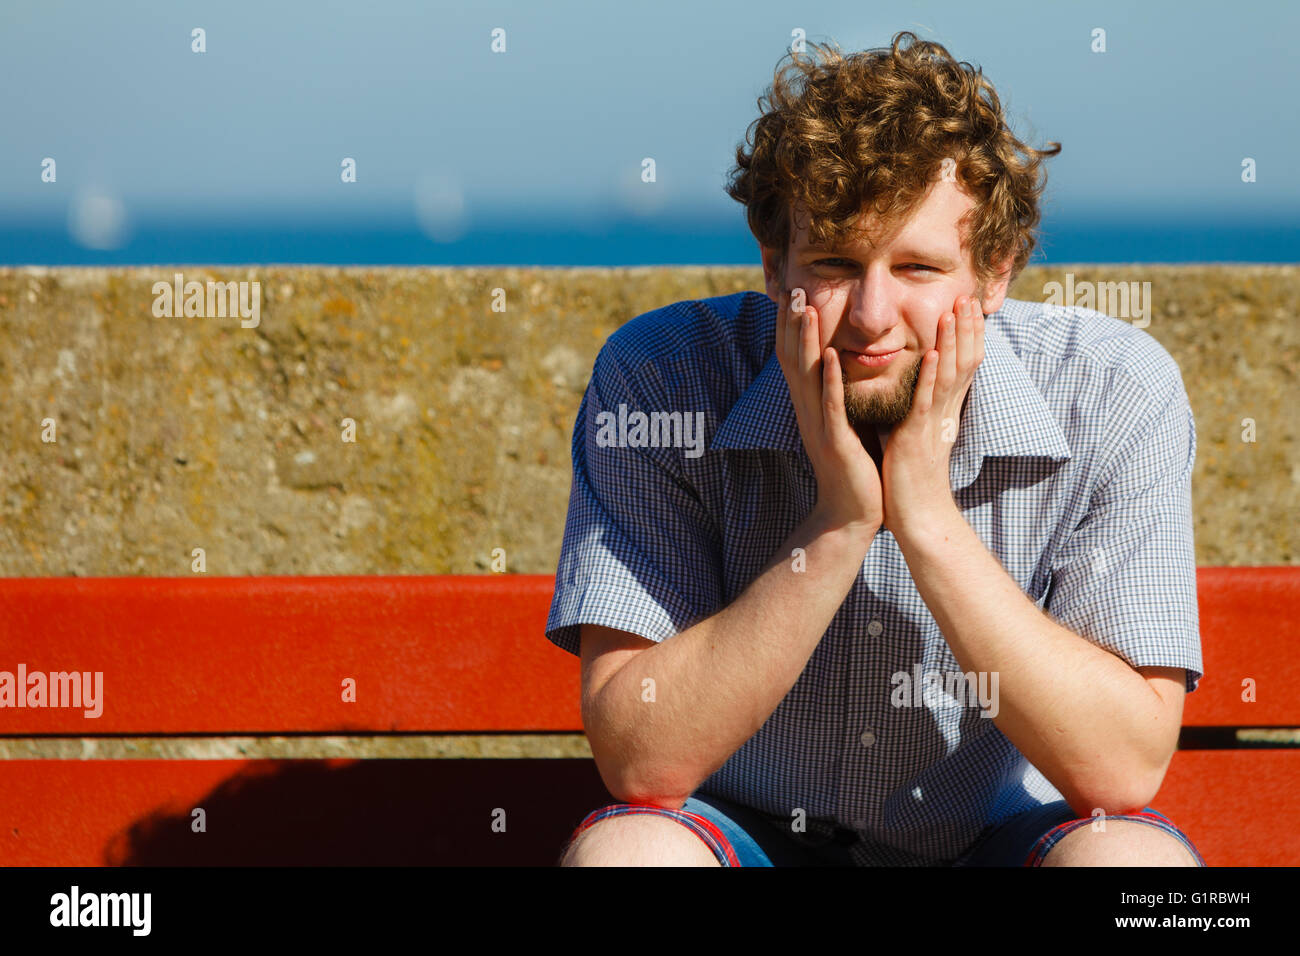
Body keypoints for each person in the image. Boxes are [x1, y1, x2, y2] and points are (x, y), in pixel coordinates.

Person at [545, 31, 1205, 866]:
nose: (870, 315)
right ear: (774, 263)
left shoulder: (1113, 389)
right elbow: (639, 758)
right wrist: (840, 522)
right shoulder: (663, 380)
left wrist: (927, 518)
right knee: (629, 854)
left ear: (995, 271)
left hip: (1000, 842)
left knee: (1133, 865)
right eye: (833, 261)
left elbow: (1123, 769)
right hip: (747, 837)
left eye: (920, 268)